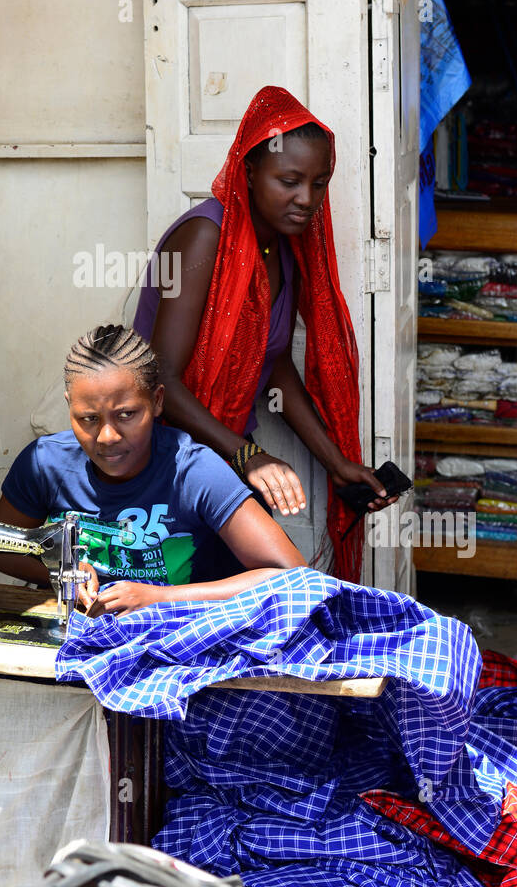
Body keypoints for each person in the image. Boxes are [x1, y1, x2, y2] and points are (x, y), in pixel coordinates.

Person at [133, 86, 395, 582]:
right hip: (168, 457)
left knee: (257, 602)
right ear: (249, 172)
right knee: (234, 598)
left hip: (223, 452)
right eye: (290, 181)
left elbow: (273, 367)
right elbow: (157, 378)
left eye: (320, 183)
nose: (307, 199)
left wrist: (337, 464)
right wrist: (247, 455)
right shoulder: (205, 236)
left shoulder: (279, 247)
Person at [0, 325, 305, 615]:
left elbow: (293, 577)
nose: (107, 437)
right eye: (88, 419)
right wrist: (61, 571)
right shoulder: (46, 463)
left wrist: (159, 597)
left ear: (157, 401)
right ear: (69, 406)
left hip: (181, 637)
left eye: (126, 415)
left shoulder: (193, 472)